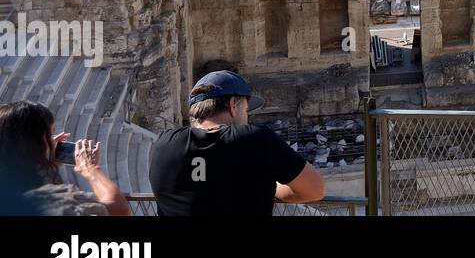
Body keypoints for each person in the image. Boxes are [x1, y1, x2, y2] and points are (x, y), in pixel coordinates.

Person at [148, 70, 325, 215]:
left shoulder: (163, 143)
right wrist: (275, 189)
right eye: (246, 110)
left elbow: (201, 182)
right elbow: (315, 189)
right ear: (233, 105)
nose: (247, 117)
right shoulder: (256, 139)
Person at [0, 100, 129, 216]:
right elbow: (119, 210)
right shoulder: (48, 201)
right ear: (35, 145)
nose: (53, 141)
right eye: (49, 137)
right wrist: (90, 168)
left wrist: (45, 163)